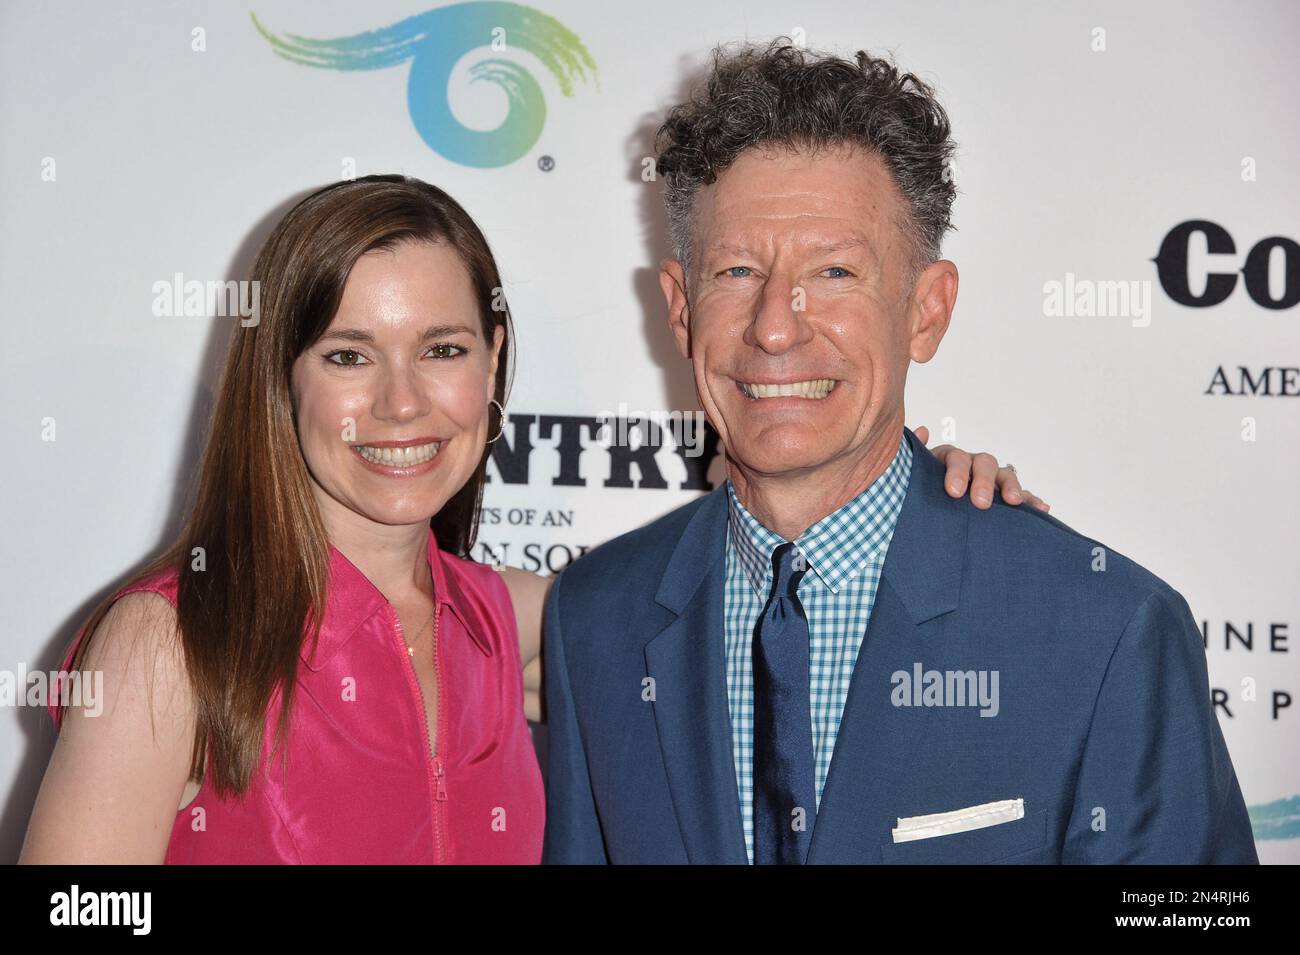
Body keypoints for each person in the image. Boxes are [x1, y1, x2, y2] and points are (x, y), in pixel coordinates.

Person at [19, 175, 1028, 864]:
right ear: (279, 380)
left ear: (493, 358)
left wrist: (920, 485)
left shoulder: (518, 622)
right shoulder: (172, 641)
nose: (403, 403)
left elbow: (751, 567)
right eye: (347, 354)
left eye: (444, 349)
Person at [541, 42, 1258, 864]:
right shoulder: (595, 617)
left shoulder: (1107, 630)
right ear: (679, 309)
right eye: (737, 270)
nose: (776, 324)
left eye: (836, 271)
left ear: (926, 311)